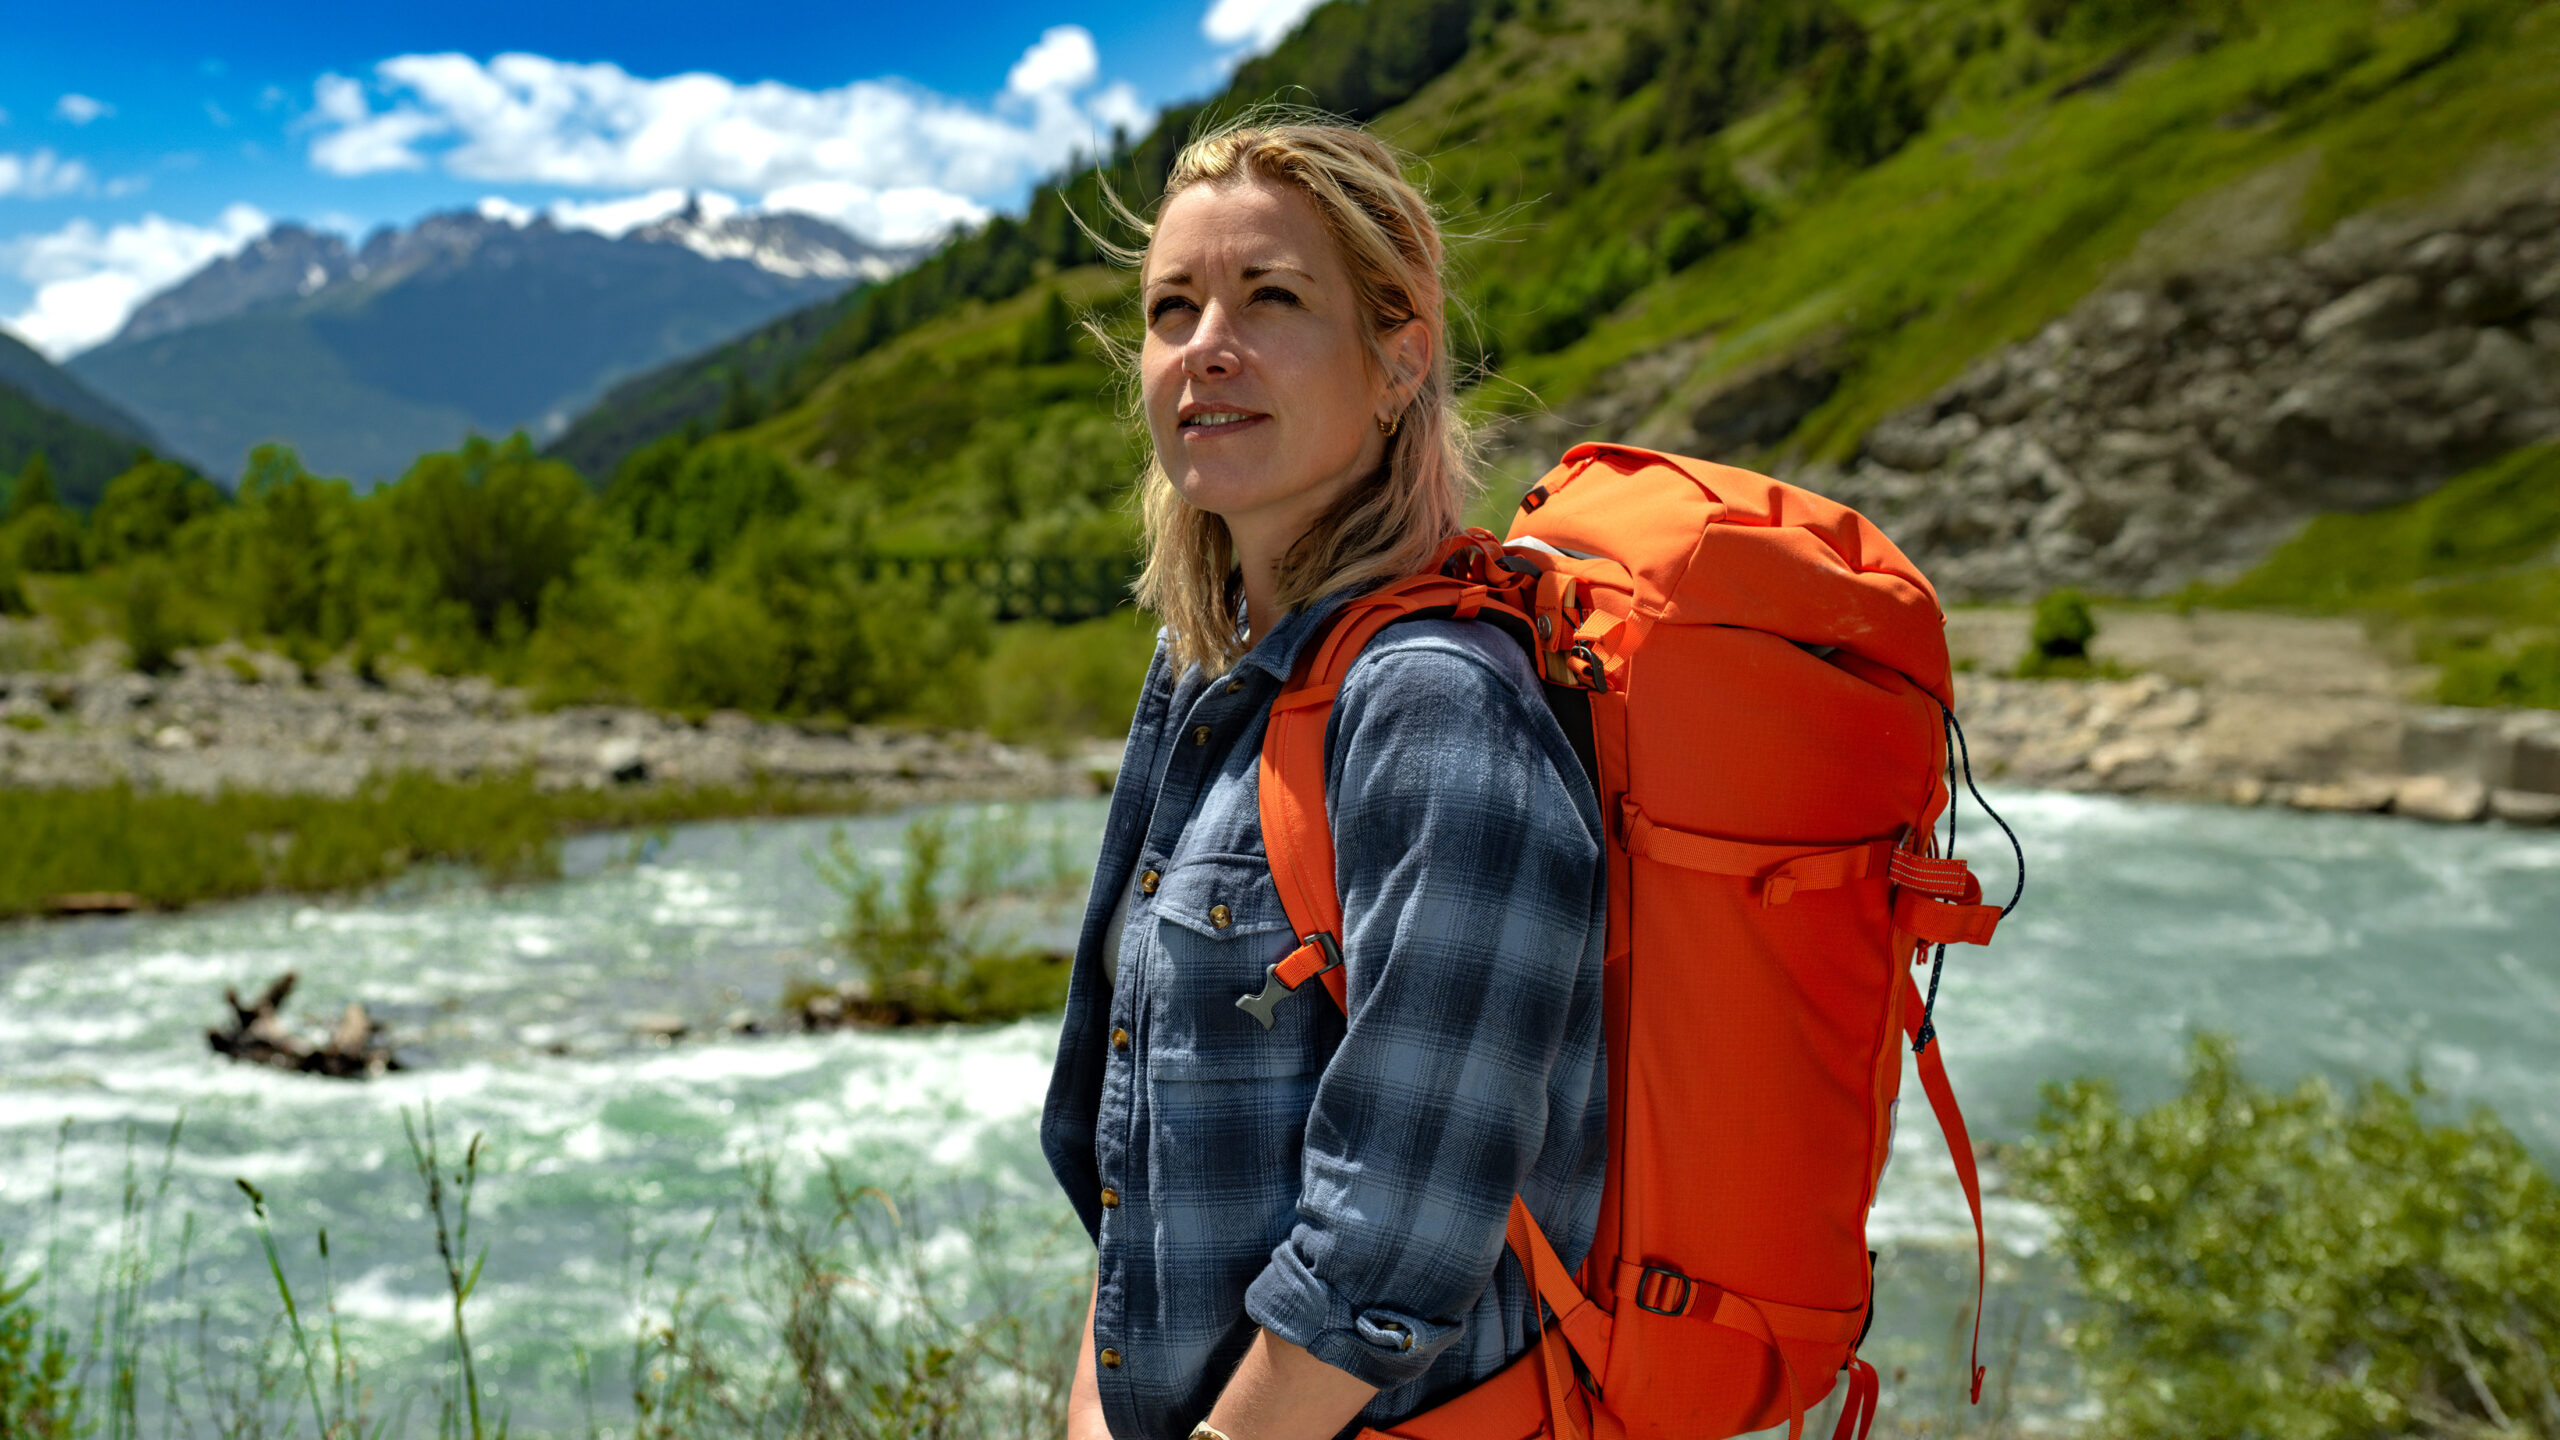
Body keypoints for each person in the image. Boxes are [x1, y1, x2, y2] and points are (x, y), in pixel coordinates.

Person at [1039, 118, 1609, 1440]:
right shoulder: (1207, 674)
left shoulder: (1437, 706)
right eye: (1171, 308)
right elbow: (1133, 1148)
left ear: (1400, 356)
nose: (1205, 347)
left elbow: (1397, 1233)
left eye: (1273, 298)